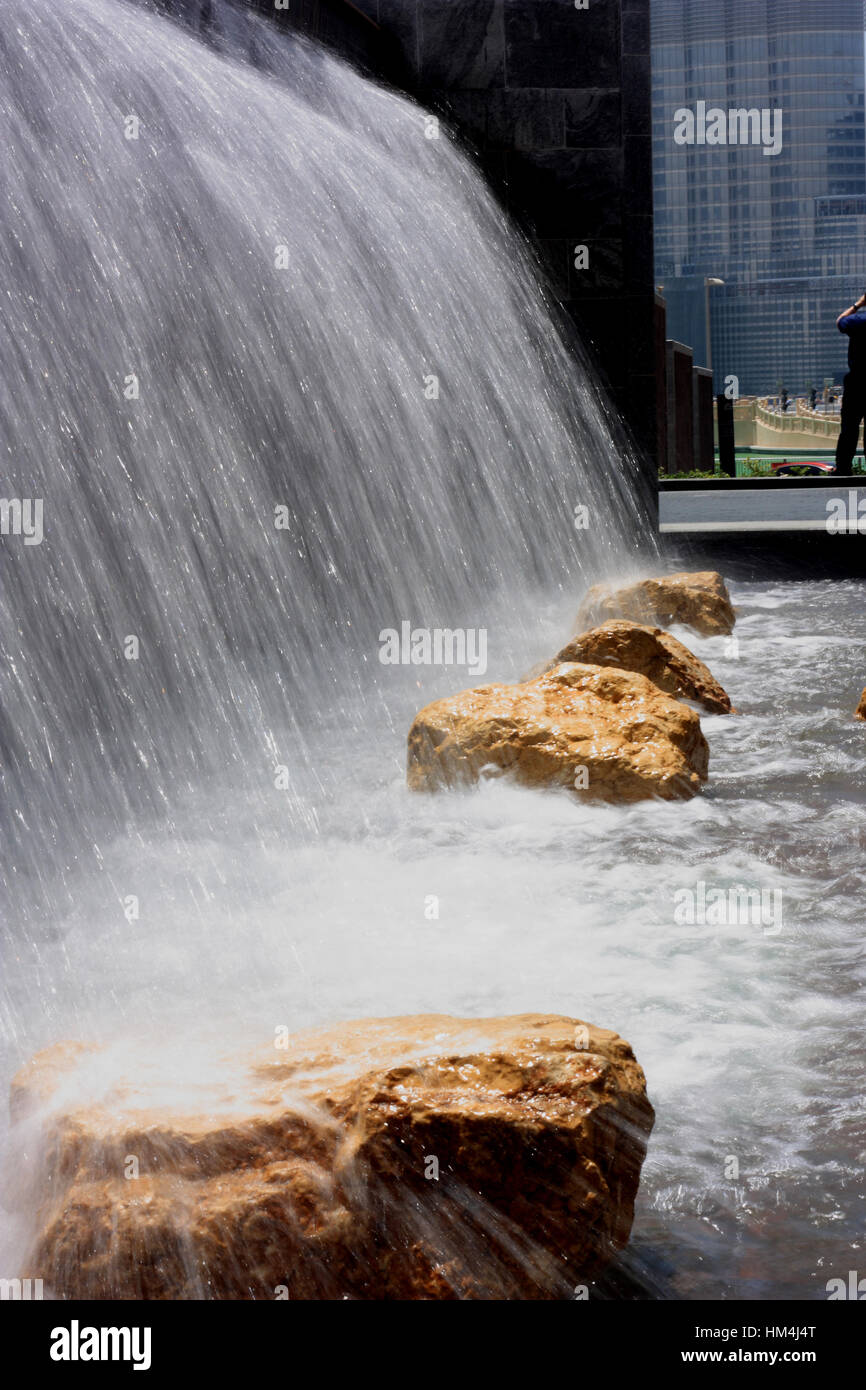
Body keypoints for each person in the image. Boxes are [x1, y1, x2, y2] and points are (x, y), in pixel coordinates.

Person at [834, 293, 866, 473]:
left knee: (849, 429)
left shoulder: (859, 321)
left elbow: (840, 321)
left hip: (857, 383)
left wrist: (859, 304)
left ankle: (843, 468)